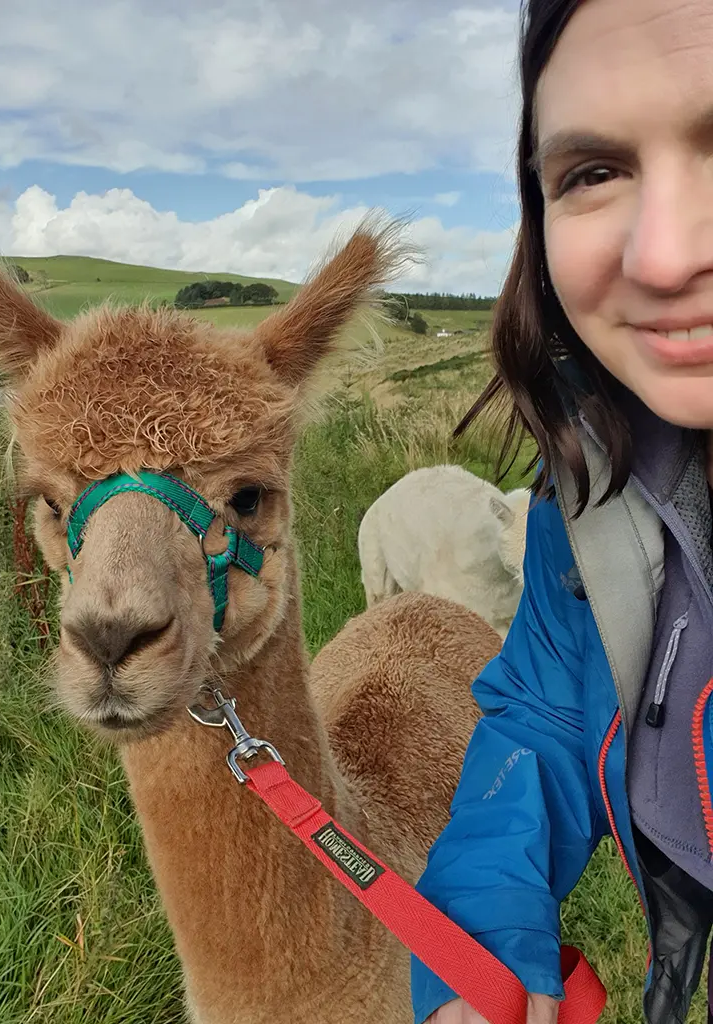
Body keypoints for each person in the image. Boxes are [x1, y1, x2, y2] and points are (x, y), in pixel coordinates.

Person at [410, 0, 713, 1021]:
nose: (664, 257)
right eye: (591, 171)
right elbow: (545, 710)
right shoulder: (593, 487)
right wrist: (483, 934)